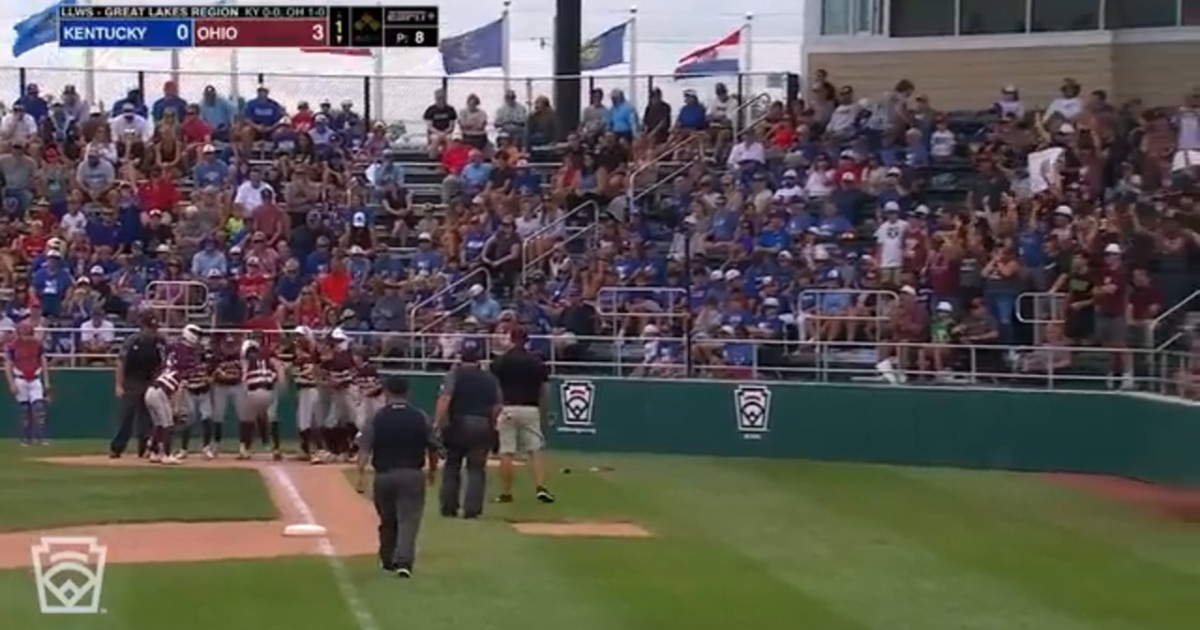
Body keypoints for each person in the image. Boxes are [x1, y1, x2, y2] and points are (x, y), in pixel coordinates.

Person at [355, 375, 440, 578]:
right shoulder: (420, 416)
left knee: (387, 519)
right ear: (407, 392)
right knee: (408, 520)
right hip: (412, 474)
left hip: (384, 476)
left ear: (386, 392)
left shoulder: (377, 417)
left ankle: (387, 559)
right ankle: (403, 562)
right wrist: (433, 471)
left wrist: (360, 474)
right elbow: (433, 447)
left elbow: (365, 448)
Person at [434, 340, 502, 518]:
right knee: (477, 469)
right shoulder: (490, 378)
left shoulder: (454, 375)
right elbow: (497, 406)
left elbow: (445, 400)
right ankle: (472, 510)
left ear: (461, 356)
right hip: (482, 425)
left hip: (458, 423)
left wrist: (438, 424)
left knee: (452, 466)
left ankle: (449, 508)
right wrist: (492, 425)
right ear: (479, 358)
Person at [490, 328, 556, 504]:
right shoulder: (536, 361)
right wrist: (544, 413)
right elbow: (544, 390)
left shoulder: (501, 361)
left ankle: (505, 492)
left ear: (510, 339)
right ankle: (540, 487)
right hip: (530, 408)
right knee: (535, 450)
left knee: (507, 451)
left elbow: (495, 387)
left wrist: (496, 408)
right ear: (527, 340)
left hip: (509, 407)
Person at [109, 311, 165, 458]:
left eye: (154, 328)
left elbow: (164, 363)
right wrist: (119, 385)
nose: (152, 332)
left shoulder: (159, 342)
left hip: (150, 381)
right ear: (142, 327)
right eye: (149, 328)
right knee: (126, 416)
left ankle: (145, 448)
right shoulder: (132, 341)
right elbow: (121, 363)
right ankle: (117, 448)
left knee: (147, 418)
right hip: (132, 381)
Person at [5, 320, 50, 446]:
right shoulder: (13, 346)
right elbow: (8, 365)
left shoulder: (37, 344)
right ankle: (25, 438)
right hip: (20, 378)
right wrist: (11, 383)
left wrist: (46, 381)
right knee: (24, 410)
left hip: (35, 378)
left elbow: (43, 362)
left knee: (39, 408)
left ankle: (42, 437)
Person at [239, 338, 283, 460]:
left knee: (246, 418)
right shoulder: (266, 360)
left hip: (255, 392)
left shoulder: (247, 363)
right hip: (269, 392)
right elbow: (275, 377)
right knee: (271, 418)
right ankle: (276, 448)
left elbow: (244, 380)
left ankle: (245, 448)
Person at [291, 325, 327, 463]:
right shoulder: (300, 356)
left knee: (309, 421)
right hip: (303, 389)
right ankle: (307, 449)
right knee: (303, 422)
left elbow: (317, 365)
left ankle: (319, 451)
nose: (297, 340)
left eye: (300, 337)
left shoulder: (310, 356)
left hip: (310, 389)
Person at [143, 361, 183, 465]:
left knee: (158, 424)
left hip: (149, 392)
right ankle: (167, 455)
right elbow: (175, 395)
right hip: (159, 394)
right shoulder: (179, 375)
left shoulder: (167, 371)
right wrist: (176, 411)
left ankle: (154, 452)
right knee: (168, 425)